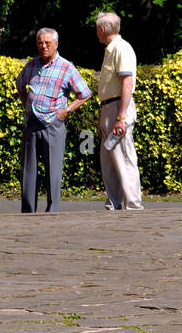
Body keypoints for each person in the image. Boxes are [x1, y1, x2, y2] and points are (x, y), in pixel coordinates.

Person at [15, 29, 91, 213]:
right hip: (32, 123)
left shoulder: (66, 67)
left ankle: (52, 211)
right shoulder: (31, 65)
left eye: (47, 43)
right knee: (28, 171)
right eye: (40, 43)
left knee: (53, 171)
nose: (43, 46)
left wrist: (66, 110)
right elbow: (19, 85)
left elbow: (85, 93)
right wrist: (27, 105)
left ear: (56, 44)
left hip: (53, 124)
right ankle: (28, 212)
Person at [95, 11, 143, 212]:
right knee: (109, 158)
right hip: (109, 107)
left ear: (103, 29)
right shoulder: (111, 49)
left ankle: (133, 203)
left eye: (97, 28)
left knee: (124, 156)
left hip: (118, 108)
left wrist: (120, 117)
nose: (96, 32)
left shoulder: (122, 49)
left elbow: (127, 83)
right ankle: (114, 202)